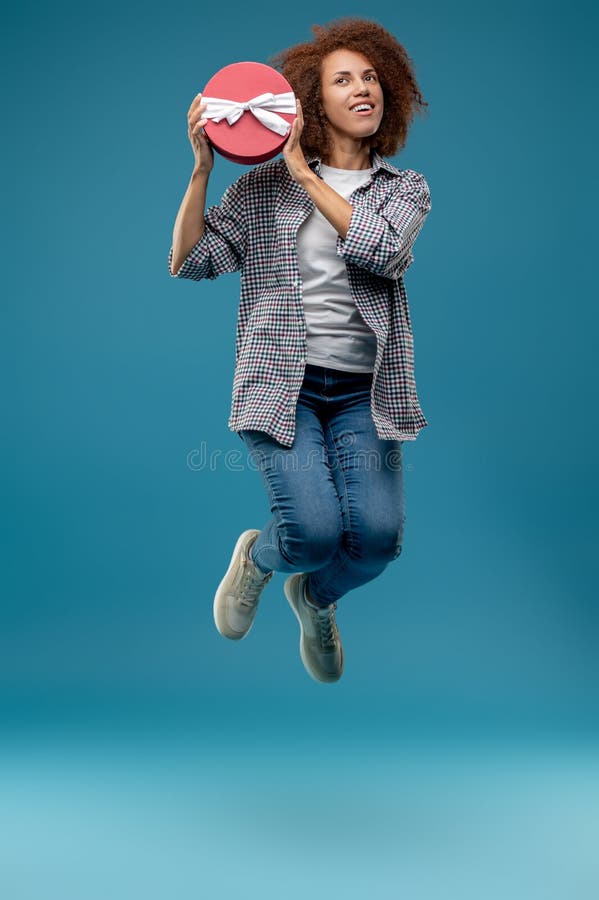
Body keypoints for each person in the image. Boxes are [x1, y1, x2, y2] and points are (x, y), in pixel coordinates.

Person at [168, 18, 432, 684]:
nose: (362, 87)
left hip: (363, 395)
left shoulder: (404, 190)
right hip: (281, 383)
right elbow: (191, 260)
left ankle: (313, 599)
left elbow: (384, 250)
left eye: (370, 76)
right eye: (343, 79)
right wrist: (202, 172)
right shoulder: (261, 191)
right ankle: (258, 562)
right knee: (310, 533)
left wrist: (304, 177)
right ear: (312, 104)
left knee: (374, 544)